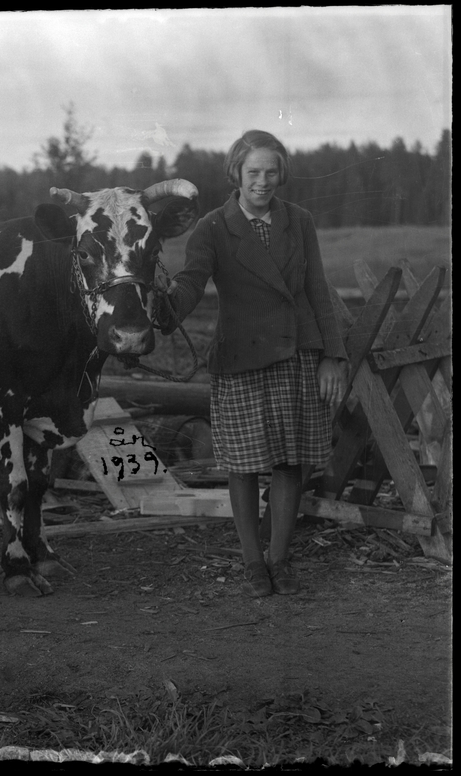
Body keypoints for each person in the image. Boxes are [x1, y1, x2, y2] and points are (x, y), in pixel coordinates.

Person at [156, 129, 347, 597]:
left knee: (288, 463)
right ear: (236, 174)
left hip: (296, 355)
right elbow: (192, 281)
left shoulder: (299, 220)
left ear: (281, 174)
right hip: (242, 358)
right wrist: (163, 307)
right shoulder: (212, 228)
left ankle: (279, 560)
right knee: (242, 465)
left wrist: (333, 356)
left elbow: (318, 291)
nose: (262, 181)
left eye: (271, 171)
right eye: (253, 172)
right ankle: (252, 563)